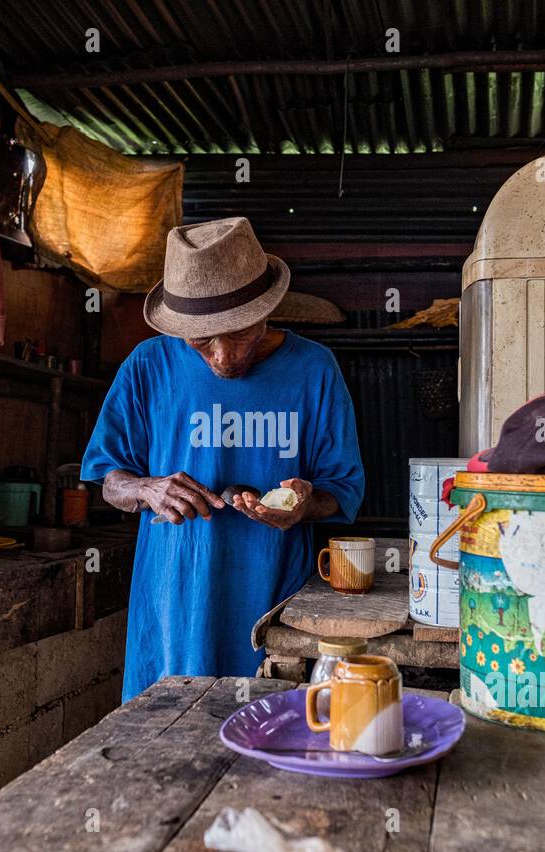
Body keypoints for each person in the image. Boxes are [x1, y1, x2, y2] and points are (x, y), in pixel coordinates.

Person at [81, 217, 365, 699]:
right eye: (201, 340)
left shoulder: (315, 369)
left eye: (237, 333)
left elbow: (342, 489)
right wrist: (147, 488)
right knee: (165, 740)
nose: (222, 358)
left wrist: (306, 503)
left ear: (266, 309)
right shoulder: (150, 365)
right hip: (175, 611)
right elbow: (108, 479)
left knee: (274, 741)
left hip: (276, 613)